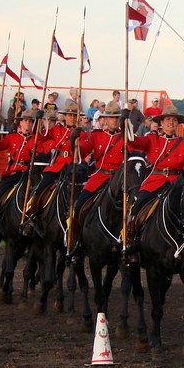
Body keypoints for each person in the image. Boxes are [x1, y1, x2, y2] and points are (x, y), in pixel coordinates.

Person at [122, 104, 184, 263]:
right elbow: (133, 141)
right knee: (137, 206)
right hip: (154, 183)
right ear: (161, 122)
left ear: (178, 124)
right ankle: (131, 241)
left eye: (174, 120)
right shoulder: (152, 138)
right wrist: (125, 122)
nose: (171, 123)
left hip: (176, 185)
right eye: (167, 119)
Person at [66, 100, 128, 253]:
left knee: (133, 210)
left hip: (119, 180)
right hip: (100, 177)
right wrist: (73, 140)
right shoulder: (96, 135)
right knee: (79, 206)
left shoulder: (125, 137)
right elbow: (82, 152)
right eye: (111, 117)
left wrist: (129, 126)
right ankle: (76, 242)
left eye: (117, 117)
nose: (114, 120)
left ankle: (131, 244)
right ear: (105, 119)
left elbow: (135, 149)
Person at [20, 100, 82, 235]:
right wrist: (38, 121)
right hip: (57, 165)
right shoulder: (57, 129)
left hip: (72, 166)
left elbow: (82, 151)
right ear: (65, 116)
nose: (72, 118)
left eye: (74, 115)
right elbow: (41, 137)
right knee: (40, 187)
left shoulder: (81, 133)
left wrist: (73, 139)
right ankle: (32, 217)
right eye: (69, 115)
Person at [0, 108, 38, 241]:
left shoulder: (35, 139)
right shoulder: (12, 137)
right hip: (13, 173)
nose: (28, 124)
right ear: (20, 123)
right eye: (26, 121)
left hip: (28, 173)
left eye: (30, 122)